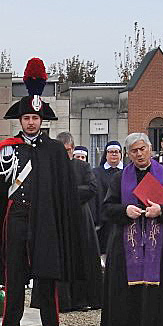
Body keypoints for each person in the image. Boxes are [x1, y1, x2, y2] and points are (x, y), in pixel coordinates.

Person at [0, 58, 85, 326]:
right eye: (27, 118)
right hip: (17, 219)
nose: (31, 122)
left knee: (47, 277)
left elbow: (65, 192)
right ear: (20, 120)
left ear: (42, 120)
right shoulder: (7, 148)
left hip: (46, 220)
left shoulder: (56, 151)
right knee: (14, 277)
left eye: (35, 118)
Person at [99, 132, 163, 326]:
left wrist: (161, 210)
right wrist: (124, 210)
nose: (139, 154)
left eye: (142, 149)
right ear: (127, 154)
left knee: (159, 284)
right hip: (126, 240)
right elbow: (106, 208)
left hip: (158, 241)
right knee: (126, 284)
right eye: (134, 151)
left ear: (150, 149)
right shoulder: (119, 178)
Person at [54, 131, 103, 311]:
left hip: (81, 219)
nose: (65, 154)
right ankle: (63, 301)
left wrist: (68, 193)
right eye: (62, 150)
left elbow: (92, 188)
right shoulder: (51, 168)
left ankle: (84, 299)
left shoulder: (82, 167)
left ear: (73, 149)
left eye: (68, 150)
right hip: (59, 219)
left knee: (83, 259)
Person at [93, 142, 124, 252]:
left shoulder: (127, 172)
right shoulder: (96, 173)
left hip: (122, 217)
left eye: (117, 152)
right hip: (103, 220)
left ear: (121, 154)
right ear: (106, 155)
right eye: (111, 152)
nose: (114, 154)